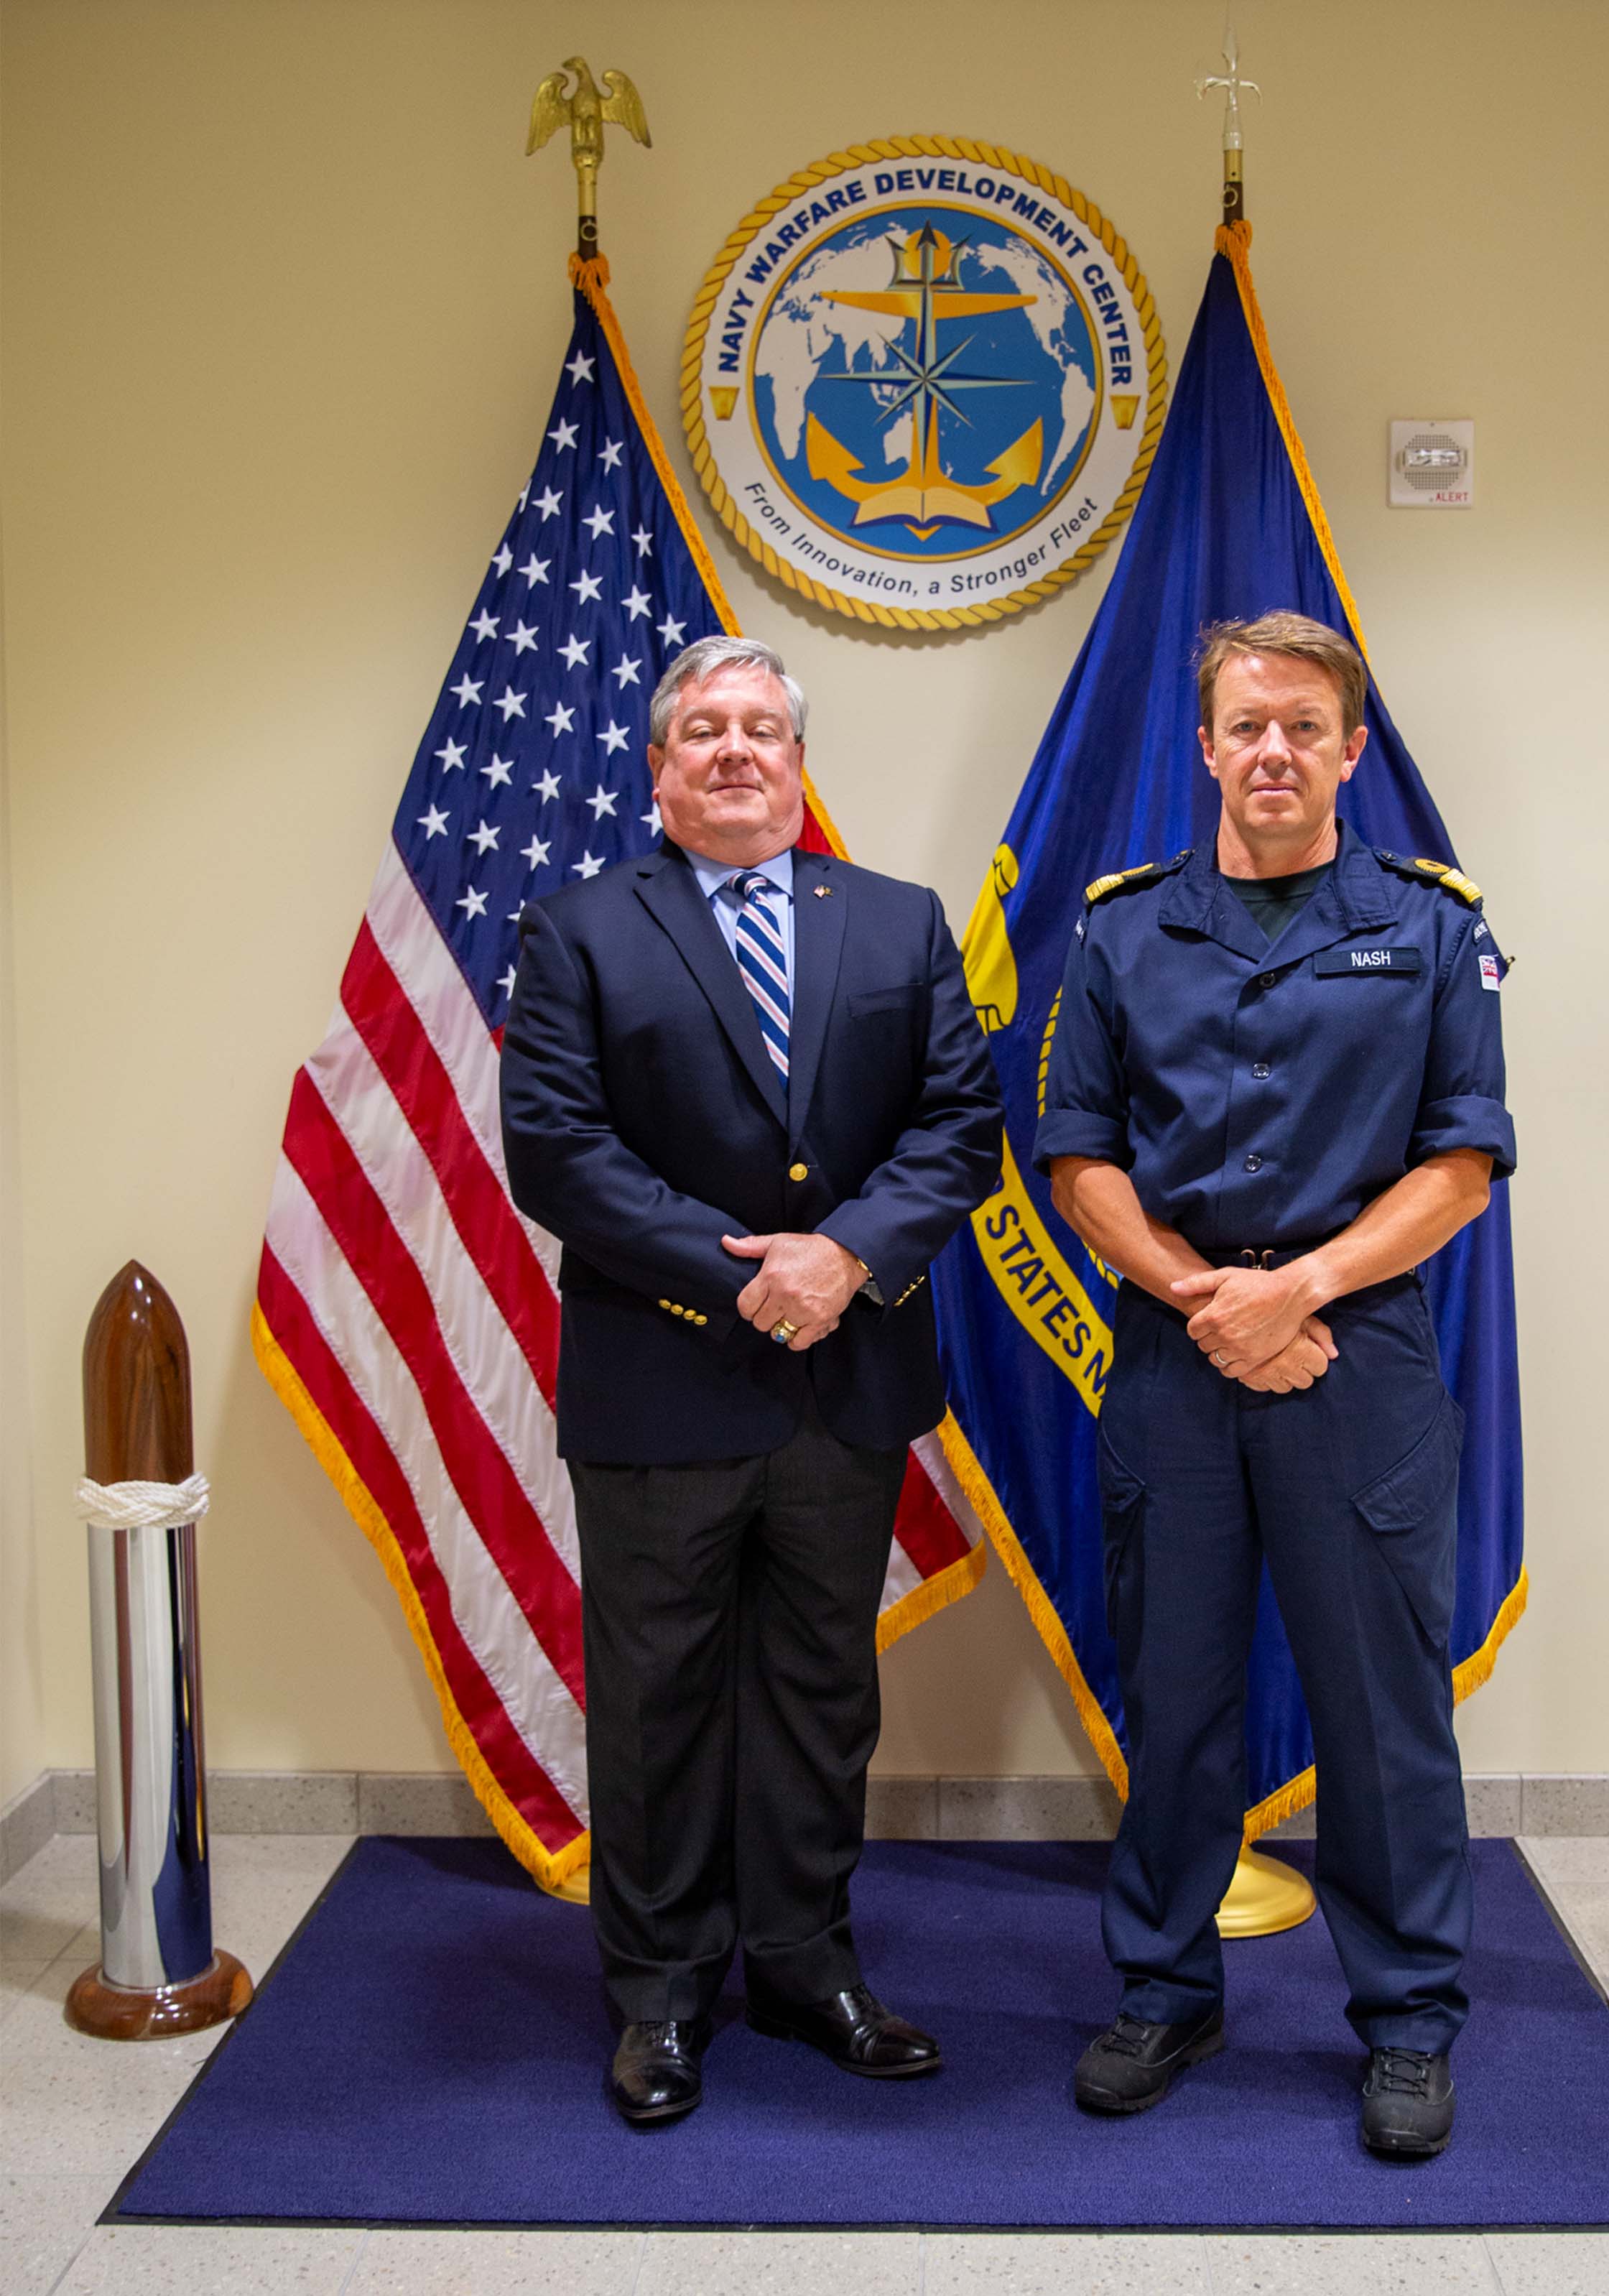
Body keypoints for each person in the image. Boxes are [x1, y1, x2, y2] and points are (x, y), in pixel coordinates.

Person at [501, 634, 1002, 2126]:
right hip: (661, 1379)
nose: (734, 749)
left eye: (761, 728)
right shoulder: (579, 928)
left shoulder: (898, 922)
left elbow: (959, 1125)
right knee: (655, 1698)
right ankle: (659, 1995)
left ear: (798, 762)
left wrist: (843, 1256)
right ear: (659, 770)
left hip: (844, 1385)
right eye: (703, 729)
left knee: (819, 1691)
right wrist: (746, 1275)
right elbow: (558, 1150)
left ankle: (802, 1965)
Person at [1035, 610, 1516, 2157]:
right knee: (1173, 1691)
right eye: (1247, 724)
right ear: (1206, 745)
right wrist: (1207, 1296)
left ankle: (1409, 2019)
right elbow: (1077, 1154)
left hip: (1353, 1351)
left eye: (1305, 726)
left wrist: (1297, 1290)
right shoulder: (1122, 930)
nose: (1274, 751)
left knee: (1381, 1708)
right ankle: (1165, 1990)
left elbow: (1460, 1165)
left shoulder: (1430, 926)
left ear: (1350, 749)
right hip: (1176, 1351)